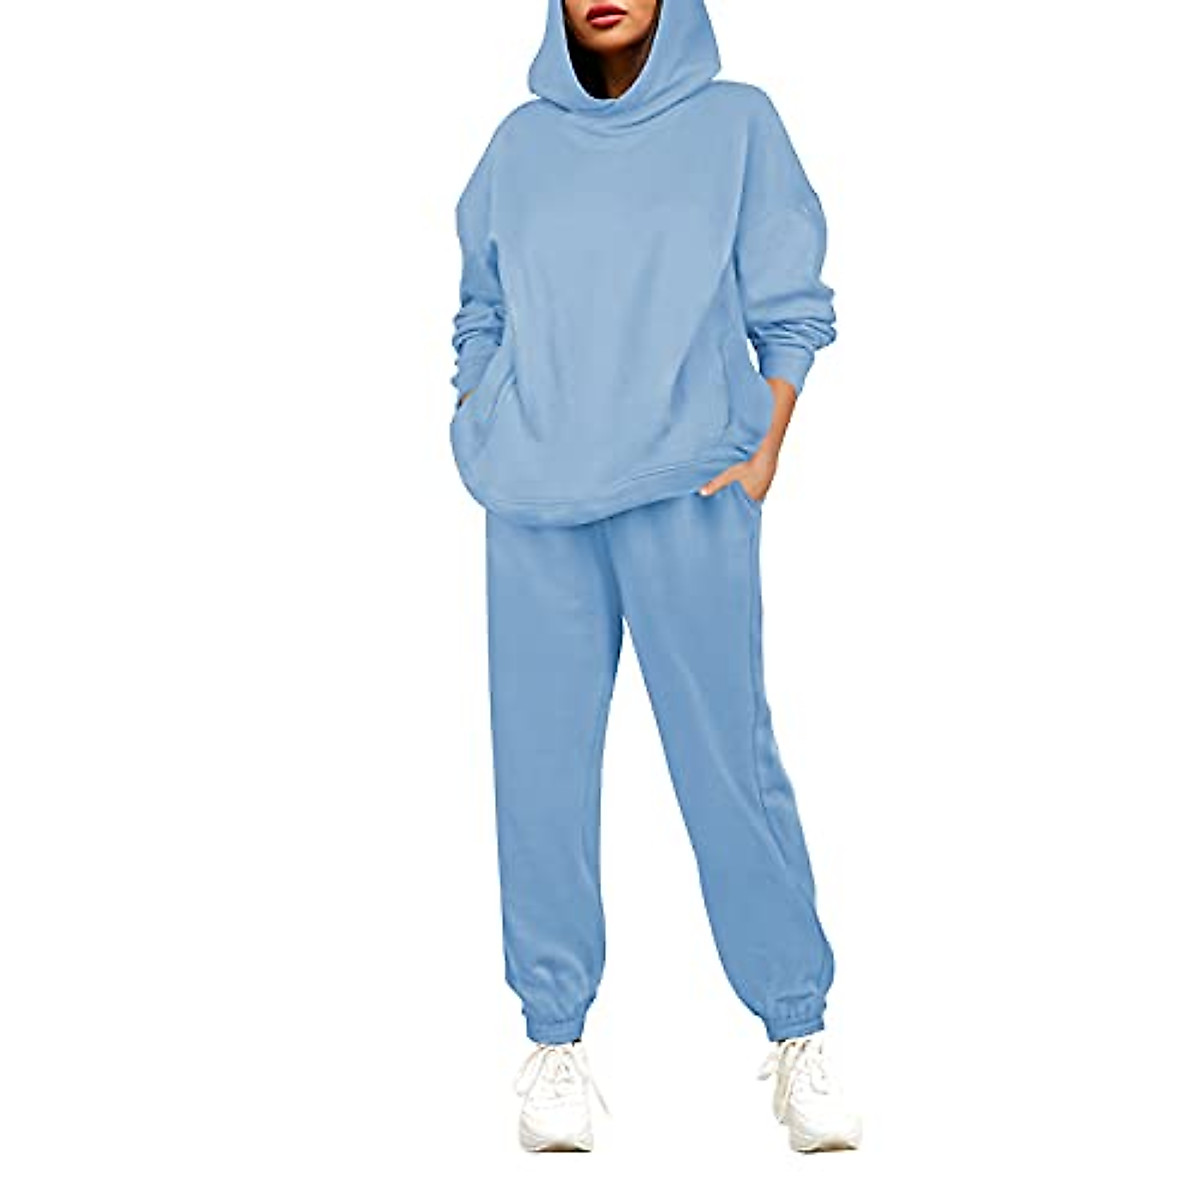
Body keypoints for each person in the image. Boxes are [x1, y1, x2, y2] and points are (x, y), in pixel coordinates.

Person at [448, 0, 862, 1154]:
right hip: (535, 502)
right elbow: (480, 304)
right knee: (539, 776)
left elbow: (791, 305)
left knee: (728, 764)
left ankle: (797, 1027)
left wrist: (765, 443)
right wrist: (480, 406)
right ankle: (554, 1043)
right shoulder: (518, 144)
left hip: (690, 487)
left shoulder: (737, 124)